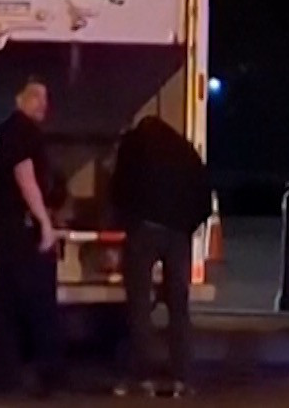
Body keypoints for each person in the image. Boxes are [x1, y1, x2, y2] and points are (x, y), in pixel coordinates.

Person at [0, 77, 64, 399]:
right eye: (35, 96)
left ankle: (1, 377)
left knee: (5, 307)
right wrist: (45, 223)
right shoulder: (25, 132)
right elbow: (26, 178)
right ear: (19, 98)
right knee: (38, 306)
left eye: (45, 98)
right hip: (24, 232)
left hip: (2, 232)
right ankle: (45, 375)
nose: (42, 104)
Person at [110, 116, 213, 398]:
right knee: (178, 305)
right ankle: (183, 377)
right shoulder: (185, 150)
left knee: (140, 304)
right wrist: (187, 225)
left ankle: (141, 377)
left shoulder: (134, 145)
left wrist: (127, 221)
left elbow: (119, 186)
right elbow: (205, 196)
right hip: (178, 233)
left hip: (144, 230)